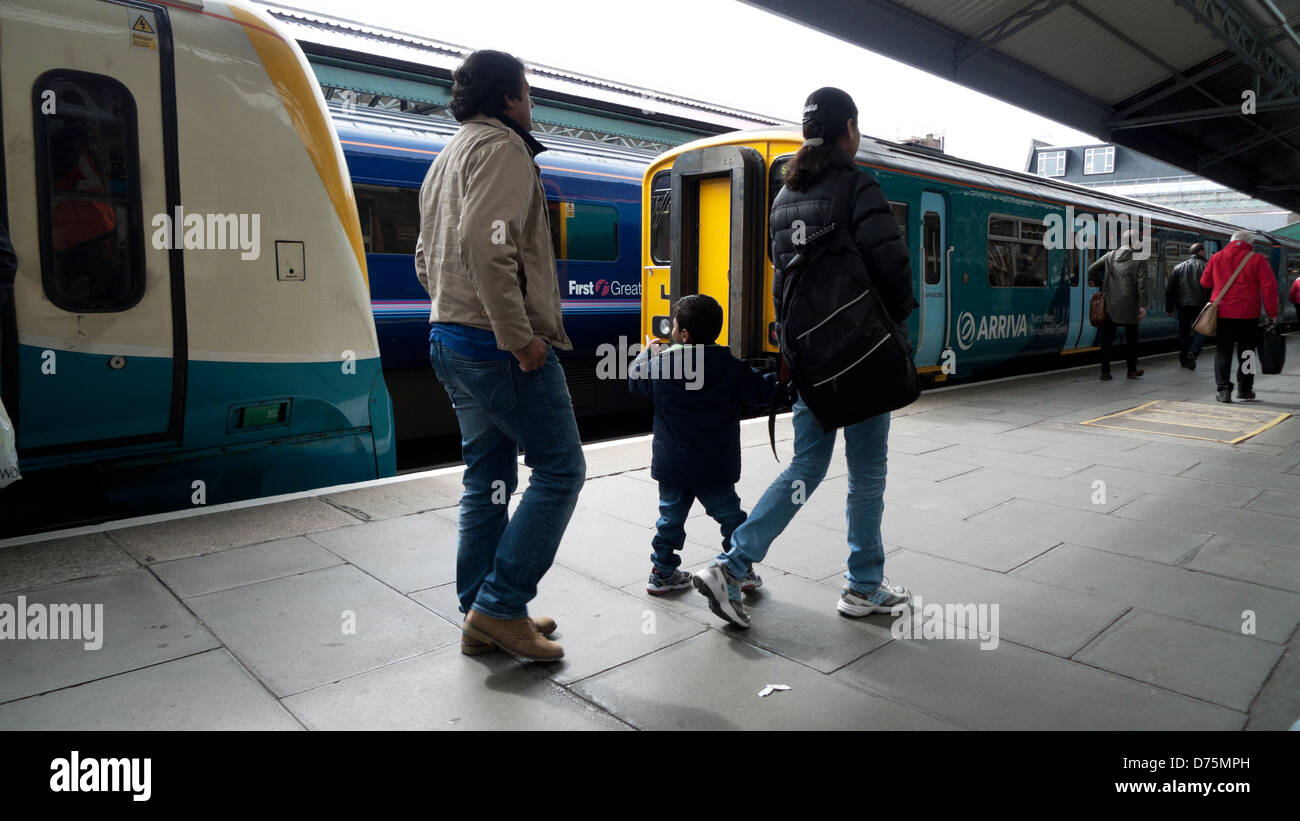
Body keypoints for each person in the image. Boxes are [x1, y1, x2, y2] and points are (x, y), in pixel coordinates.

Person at [692, 87, 915, 629]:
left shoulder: (783, 197)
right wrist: (891, 327)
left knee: (805, 467)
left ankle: (733, 564)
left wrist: (792, 349)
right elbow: (893, 269)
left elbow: (779, 284)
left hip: (808, 359)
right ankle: (863, 585)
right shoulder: (859, 186)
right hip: (858, 357)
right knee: (866, 473)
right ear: (850, 130)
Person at [415, 50, 584, 662]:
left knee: (487, 476)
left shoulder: (449, 153)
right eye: (529, 93)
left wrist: (455, 309)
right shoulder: (504, 148)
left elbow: (424, 257)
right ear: (510, 99)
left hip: (450, 336)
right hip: (495, 344)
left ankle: (479, 611)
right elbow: (488, 249)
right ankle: (501, 605)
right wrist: (519, 337)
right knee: (562, 470)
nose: (532, 104)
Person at [627, 294, 777, 595]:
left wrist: (647, 352)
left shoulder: (661, 366)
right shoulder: (731, 367)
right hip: (714, 465)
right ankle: (741, 569)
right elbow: (764, 392)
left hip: (673, 465)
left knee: (669, 520)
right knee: (731, 518)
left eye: (674, 325)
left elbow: (635, 380)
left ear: (684, 335)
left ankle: (662, 572)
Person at [1200, 230, 1278, 402]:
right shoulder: (1257, 259)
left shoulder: (1217, 257)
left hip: (1223, 313)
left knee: (1223, 352)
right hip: (1248, 315)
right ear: (1250, 243)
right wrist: (1272, 313)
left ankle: (1223, 390)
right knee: (1248, 352)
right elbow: (1269, 288)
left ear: (1232, 241)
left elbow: (1205, 282)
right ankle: (1245, 389)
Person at [1087, 229, 1149, 380]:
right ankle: (1131, 370)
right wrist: (1143, 305)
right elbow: (1142, 283)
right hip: (1130, 303)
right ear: (1135, 242)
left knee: (1107, 339)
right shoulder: (1140, 258)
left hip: (1109, 303)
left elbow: (1091, 268)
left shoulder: (1111, 255)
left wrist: (1100, 284)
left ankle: (1105, 372)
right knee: (1132, 339)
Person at [1165, 243, 1209, 370]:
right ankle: (1193, 351)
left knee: (1184, 332)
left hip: (1182, 305)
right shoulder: (1206, 266)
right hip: (1201, 305)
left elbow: (1170, 289)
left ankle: (1184, 359)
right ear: (1200, 252)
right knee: (1202, 330)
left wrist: (1169, 307)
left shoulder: (1178, 267)